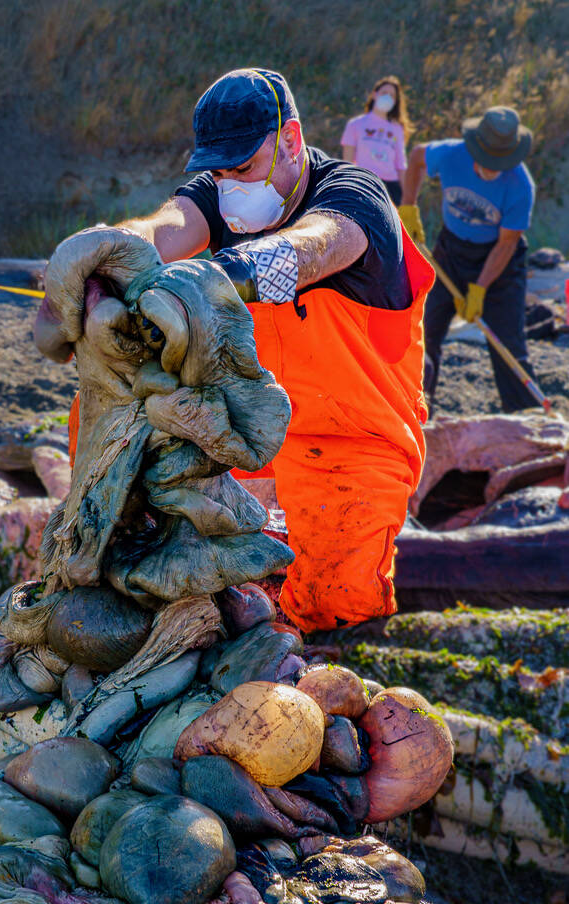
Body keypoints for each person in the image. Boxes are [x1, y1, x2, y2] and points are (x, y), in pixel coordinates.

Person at [60, 67, 433, 632]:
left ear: (290, 141)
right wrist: (111, 251)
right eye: (217, 171)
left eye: (243, 168)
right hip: (240, 418)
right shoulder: (217, 193)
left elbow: (315, 246)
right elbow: (168, 224)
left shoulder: (356, 196)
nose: (229, 184)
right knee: (108, 429)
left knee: (338, 600)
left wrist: (222, 274)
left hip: (352, 437)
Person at [400, 106, 539, 413]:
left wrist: (479, 289)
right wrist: (408, 205)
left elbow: (506, 244)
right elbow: (417, 157)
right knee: (424, 330)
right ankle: (415, 407)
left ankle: (524, 415)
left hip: (500, 264)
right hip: (451, 252)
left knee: (507, 343)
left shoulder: (520, 186)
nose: (492, 168)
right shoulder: (451, 154)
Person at [341, 75, 410, 205]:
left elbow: (401, 164)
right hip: (364, 182)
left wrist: (407, 196)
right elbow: (347, 162)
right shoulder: (355, 124)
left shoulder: (397, 128)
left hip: (391, 187)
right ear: (374, 94)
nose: (387, 97)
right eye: (384, 93)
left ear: (395, 101)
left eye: (392, 95)